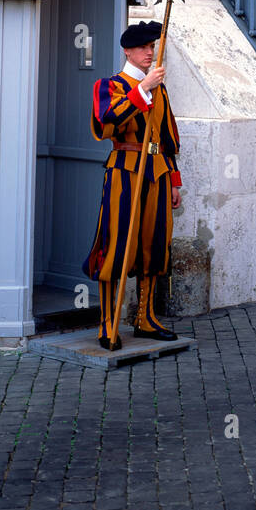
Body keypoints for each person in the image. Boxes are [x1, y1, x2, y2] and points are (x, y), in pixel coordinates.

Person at [83, 21, 182, 349]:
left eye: (152, 47)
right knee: (117, 246)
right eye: (143, 48)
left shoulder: (161, 90)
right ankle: (107, 323)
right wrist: (142, 91)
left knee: (154, 246)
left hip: (157, 174)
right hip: (124, 172)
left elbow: (166, 137)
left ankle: (145, 319)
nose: (149, 53)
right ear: (128, 50)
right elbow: (108, 121)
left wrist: (175, 181)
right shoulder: (109, 85)